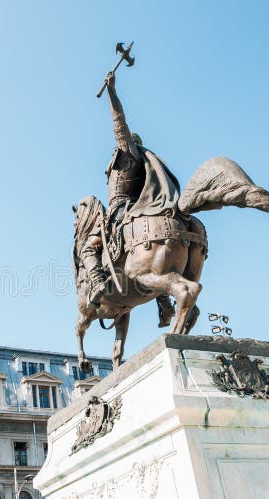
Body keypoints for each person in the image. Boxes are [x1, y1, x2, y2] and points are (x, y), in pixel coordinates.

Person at [82, 71, 181, 325]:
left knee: (87, 247)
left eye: (122, 143)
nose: (117, 146)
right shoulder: (134, 160)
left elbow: (119, 122)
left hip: (121, 211)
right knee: (151, 263)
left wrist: (112, 93)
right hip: (133, 208)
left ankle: (98, 284)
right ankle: (165, 303)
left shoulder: (128, 152)